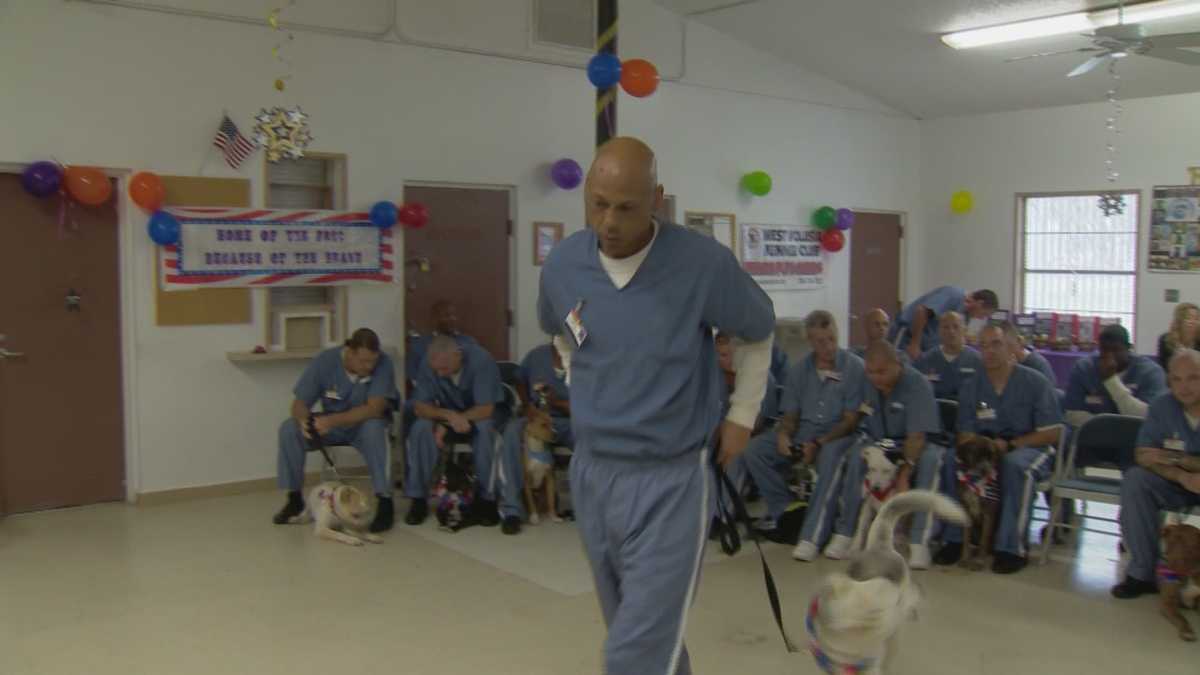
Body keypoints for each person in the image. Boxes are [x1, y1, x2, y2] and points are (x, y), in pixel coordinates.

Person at [536, 137, 775, 675]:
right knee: (641, 634)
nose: (609, 222)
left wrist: (741, 416)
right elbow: (558, 329)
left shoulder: (702, 264)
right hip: (594, 473)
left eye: (626, 207)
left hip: (671, 479)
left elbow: (758, 334)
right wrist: (582, 376)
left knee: (634, 654)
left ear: (657, 200)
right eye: (598, 203)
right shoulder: (564, 266)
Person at [934, 323, 1063, 574]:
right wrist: (984, 449)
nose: (988, 351)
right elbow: (965, 431)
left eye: (996, 344)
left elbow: (1052, 432)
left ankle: (1011, 548)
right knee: (950, 460)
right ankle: (955, 539)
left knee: (1015, 466)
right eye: (982, 345)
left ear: (1013, 346)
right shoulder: (972, 385)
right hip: (984, 446)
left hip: (1030, 446)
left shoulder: (1035, 382)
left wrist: (1012, 444)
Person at [742, 311, 866, 559]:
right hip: (803, 431)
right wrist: (784, 435)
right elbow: (790, 414)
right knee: (755, 451)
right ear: (810, 341)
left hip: (836, 435)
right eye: (821, 341)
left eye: (832, 338)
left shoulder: (854, 368)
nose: (828, 346)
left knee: (830, 457)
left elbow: (851, 420)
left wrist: (819, 443)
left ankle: (819, 530)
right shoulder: (799, 371)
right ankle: (787, 510)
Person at [273, 328, 398, 532]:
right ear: (349, 352)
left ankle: (385, 501)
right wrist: (304, 421)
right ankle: (294, 499)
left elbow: (375, 408)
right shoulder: (326, 361)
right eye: (364, 361)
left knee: (376, 429)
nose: (370, 366)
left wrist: (331, 421)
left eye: (373, 361)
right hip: (332, 424)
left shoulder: (384, 364)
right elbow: (299, 404)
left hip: (364, 424)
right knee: (289, 429)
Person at [835, 343, 947, 569]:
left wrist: (906, 469)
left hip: (917, 441)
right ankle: (847, 533)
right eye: (871, 372)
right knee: (856, 455)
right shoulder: (867, 383)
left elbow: (917, 437)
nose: (875, 377)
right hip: (882, 441)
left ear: (897, 364)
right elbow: (862, 417)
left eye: (882, 371)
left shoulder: (917, 384)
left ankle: (919, 542)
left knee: (930, 462)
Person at [1111, 349, 1200, 599]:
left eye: (1193, 378)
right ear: (1169, 380)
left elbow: (1157, 455)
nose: (1185, 387)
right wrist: (1182, 475)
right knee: (1136, 480)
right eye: (1177, 379)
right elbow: (1143, 455)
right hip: (1174, 482)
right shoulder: (1162, 405)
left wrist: (1179, 459)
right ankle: (1142, 574)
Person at [403, 335, 503, 527]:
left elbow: (486, 409)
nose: (440, 374)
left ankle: (486, 499)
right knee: (420, 428)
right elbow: (420, 407)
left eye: (445, 369)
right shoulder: (429, 363)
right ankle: (418, 498)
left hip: (480, 415)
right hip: (449, 415)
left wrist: (455, 420)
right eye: (436, 370)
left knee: (486, 432)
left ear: (458, 356)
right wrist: (447, 416)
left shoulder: (482, 360)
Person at [497, 340, 574, 535]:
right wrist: (526, 403)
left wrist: (556, 402)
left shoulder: (586, 360)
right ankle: (512, 511)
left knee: (591, 438)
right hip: (534, 417)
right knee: (512, 431)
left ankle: (597, 508)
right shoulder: (537, 355)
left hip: (567, 420)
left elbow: (586, 407)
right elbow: (519, 378)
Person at [1064, 324, 1165, 431]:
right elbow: (1071, 414)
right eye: (1104, 350)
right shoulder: (1083, 368)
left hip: (1134, 438)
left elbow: (1147, 416)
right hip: (1094, 437)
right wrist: (1108, 428)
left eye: (1115, 350)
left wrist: (1111, 381)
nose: (1109, 355)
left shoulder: (1150, 372)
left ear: (1129, 348)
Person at [893, 286, 998, 361]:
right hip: (907, 338)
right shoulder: (954, 295)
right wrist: (914, 344)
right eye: (984, 314)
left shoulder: (966, 316)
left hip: (926, 349)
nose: (981, 318)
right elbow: (922, 311)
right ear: (980, 303)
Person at [914, 311, 983, 401]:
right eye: (946, 327)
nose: (951, 331)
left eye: (956, 327)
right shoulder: (925, 360)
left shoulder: (978, 360)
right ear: (939, 331)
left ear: (964, 330)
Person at [405, 300, 480, 382]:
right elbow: (413, 378)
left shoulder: (469, 342)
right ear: (435, 319)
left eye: (453, 315)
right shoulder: (419, 345)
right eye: (447, 315)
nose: (452, 319)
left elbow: (478, 373)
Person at [1001, 321, 1057, 387]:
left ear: (1019, 341)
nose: (1003, 352)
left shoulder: (1038, 365)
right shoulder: (1005, 364)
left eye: (1008, 346)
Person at [1158, 302, 1200, 371]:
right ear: (1179, 321)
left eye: (1196, 319)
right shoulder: (1165, 340)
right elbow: (1163, 369)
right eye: (1188, 318)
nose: (1193, 322)